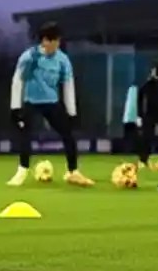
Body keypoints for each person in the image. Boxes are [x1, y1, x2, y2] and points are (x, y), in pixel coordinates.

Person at [6, 23, 94, 187]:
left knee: (68, 133)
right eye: (53, 41)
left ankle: (73, 172)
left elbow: (68, 85)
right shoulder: (29, 57)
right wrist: (15, 107)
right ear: (44, 41)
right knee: (25, 135)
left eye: (58, 41)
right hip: (31, 102)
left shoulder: (62, 60)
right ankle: (22, 171)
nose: (56, 45)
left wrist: (72, 112)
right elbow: (18, 80)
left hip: (51, 102)